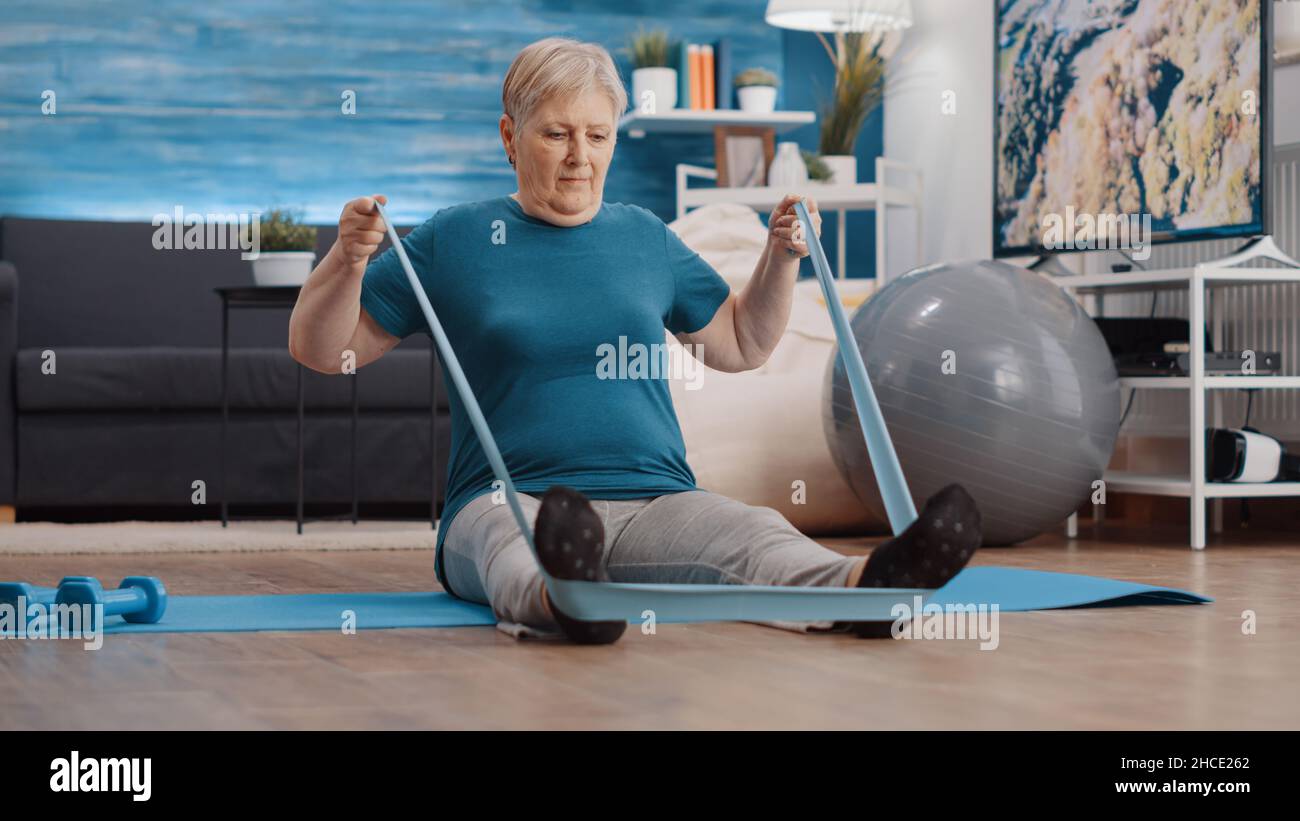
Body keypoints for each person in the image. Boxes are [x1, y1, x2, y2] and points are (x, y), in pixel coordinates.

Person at [289, 36, 981, 644]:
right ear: (509, 137)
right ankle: (567, 599)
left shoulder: (643, 236)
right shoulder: (456, 238)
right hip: (508, 497)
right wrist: (346, 260)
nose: (579, 157)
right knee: (513, 541)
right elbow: (322, 349)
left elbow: (742, 343)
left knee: (751, 532)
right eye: (556, 135)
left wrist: (780, 257)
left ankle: (872, 586)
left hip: (657, 498)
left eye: (597, 135)